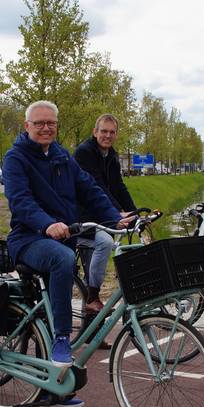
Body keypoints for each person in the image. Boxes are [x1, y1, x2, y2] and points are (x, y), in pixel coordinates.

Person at [3, 100, 125, 407]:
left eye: (51, 123)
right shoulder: (15, 159)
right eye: (39, 123)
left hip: (60, 238)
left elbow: (89, 189)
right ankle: (60, 339)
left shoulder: (62, 157)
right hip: (28, 238)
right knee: (62, 259)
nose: (46, 128)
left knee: (59, 272)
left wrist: (116, 217)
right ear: (27, 125)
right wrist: (46, 224)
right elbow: (20, 202)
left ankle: (54, 389)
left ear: (56, 126)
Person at [73, 113, 136, 316]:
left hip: (101, 216)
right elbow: (96, 186)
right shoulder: (85, 152)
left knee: (95, 267)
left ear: (116, 134)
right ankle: (92, 296)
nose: (107, 135)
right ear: (95, 132)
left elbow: (118, 186)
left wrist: (135, 213)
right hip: (82, 218)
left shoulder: (111, 156)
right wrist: (117, 213)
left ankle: (95, 336)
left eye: (112, 132)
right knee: (105, 244)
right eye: (104, 131)